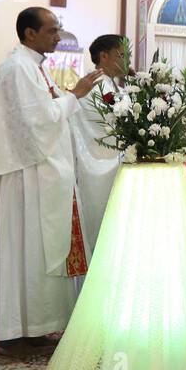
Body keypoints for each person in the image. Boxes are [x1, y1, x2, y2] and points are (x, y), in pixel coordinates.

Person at [0, 7, 102, 357]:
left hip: (39, 175)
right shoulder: (18, 68)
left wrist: (68, 99)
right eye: (52, 30)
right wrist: (76, 94)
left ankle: (32, 325)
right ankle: (11, 330)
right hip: (25, 177)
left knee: (34, 254)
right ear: (30, 34)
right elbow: (38, 123)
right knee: (21, 251)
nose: (58, 36)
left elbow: (48, 113)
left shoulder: (33, 66)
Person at [69, 34, 124, 256]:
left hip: (112, 164)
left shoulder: (110, 85)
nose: (127, 60)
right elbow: (104, 128)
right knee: (101, 230)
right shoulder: (98, 85)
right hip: (100, 165)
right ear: (104, 56)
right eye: (122, 55)